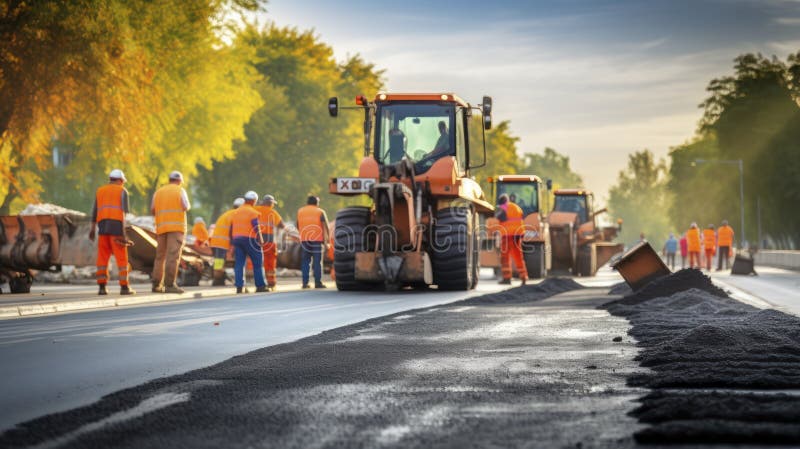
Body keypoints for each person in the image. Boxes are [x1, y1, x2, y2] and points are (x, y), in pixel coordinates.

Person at [89, 169, 135, 296]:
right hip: (117, 229)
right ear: (120, 180)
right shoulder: (122, 191)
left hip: (102, 228)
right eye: (123, 181)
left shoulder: (100, 191)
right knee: (121, 258)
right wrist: (124, 233)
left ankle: (102, 287)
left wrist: (92, 229)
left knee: (102, 258)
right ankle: (124, 287)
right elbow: (124, 214)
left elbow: (94, 211)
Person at [151, 170, 190, 294]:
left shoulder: (158, 192)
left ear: (169, 180)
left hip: (161, 228)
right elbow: (186, 206)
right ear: (179, 181)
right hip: (176, 228)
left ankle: (156, 284)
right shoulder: (180, 190)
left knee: (160, 257)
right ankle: (169, 285)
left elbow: (153, 209)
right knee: (172, 257)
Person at [230, 191, 267, 293]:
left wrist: (232, 243)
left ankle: (239, 287)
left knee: (239, 264)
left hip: (237, 240)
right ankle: (260, 286)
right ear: (253, 201)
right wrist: (260, 238)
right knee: (257, 262)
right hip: (250, 240)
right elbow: (256, 226)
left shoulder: (236, 212)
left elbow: (231, 227)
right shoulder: (252, 212)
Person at [255, 194, 288, 291]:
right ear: (271, 204)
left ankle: (257, 281)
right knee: (270, 262)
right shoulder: (272, 212)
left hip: (255, 240)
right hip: (268, 241)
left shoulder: (255, 209)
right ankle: (271, 283)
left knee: (257, 262)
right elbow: (282, 226)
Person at [209, 197, 244, 286]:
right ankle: (217, 279)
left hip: (216, 242)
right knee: (220, 262)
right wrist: (233, 244)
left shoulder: (227, 213)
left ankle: (218, 279)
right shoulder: (236, 215)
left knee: (219, 262)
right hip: (223, 243)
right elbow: (232, 231)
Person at [297, 195, 330, 289]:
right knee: (317, 261)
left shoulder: (300, 211)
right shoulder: (320, 211)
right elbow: (326, 227)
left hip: (304, 239)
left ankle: (305, 283)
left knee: (305, 261)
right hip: (317, 240)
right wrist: (327, 241)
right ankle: (318, 282)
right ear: (316, 202)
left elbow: (297, 225)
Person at [495, 193, 527, 286]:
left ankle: (507, 278)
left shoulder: (503, 207)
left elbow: (500, 218)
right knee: (518, 256)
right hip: (517, 235)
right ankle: (524, 277)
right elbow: (521, 219)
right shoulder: (517, 207)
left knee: (505, 257)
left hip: (507, 235)